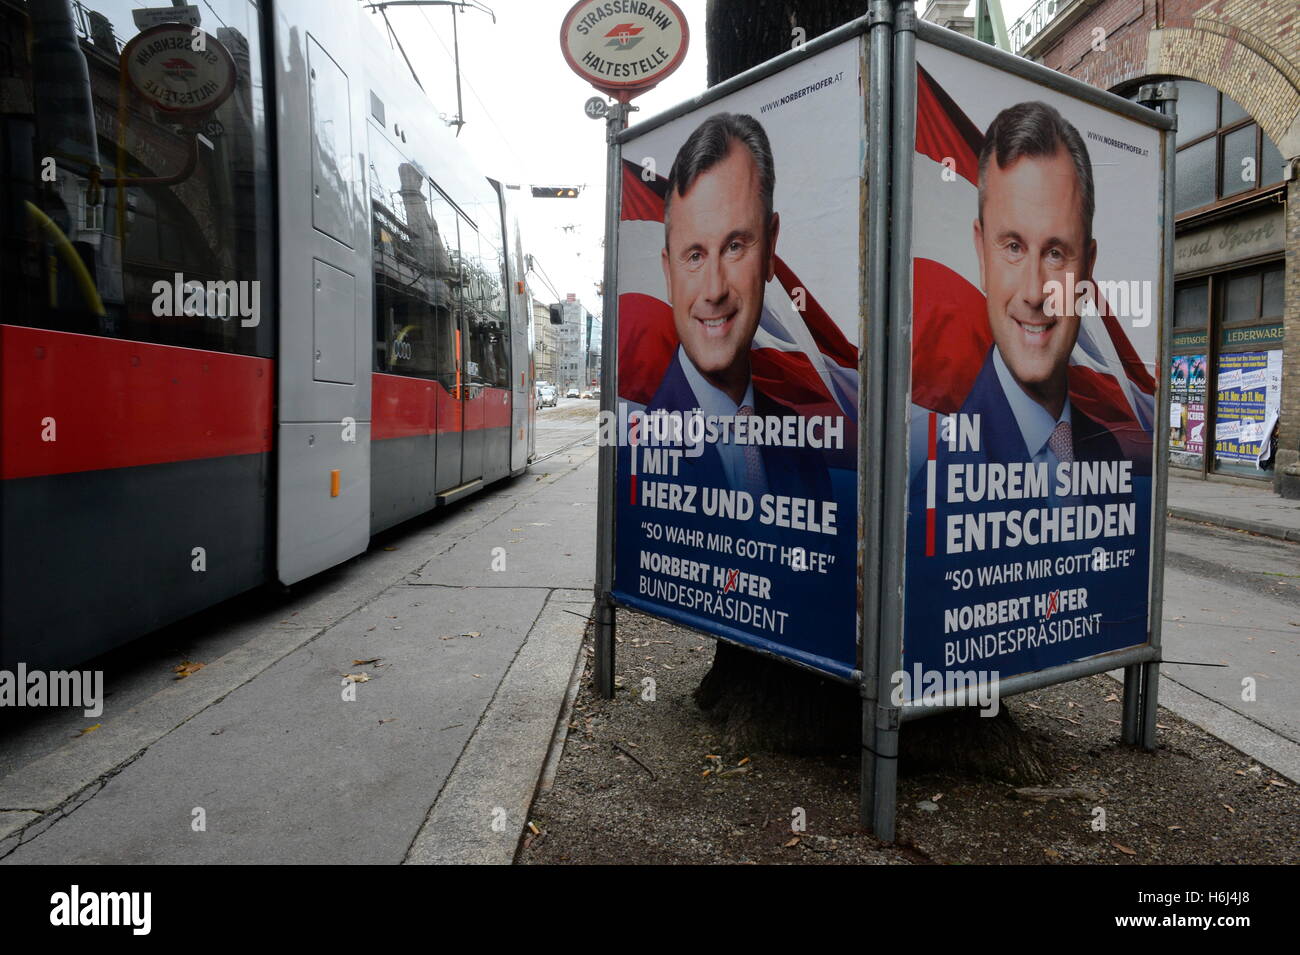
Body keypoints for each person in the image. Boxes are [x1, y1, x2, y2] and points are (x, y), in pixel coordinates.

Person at [647, 111, 829, 500]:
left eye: (734, 247)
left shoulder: (804, 448)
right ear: (668, 272)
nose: (714, 291)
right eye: (694, 256)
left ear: (770, 247)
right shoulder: (635, 444)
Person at [964, 100, 1123, 468]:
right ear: (981, 254)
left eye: (1055, 253)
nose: (1035, 293)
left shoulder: (1109, 455)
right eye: (1014, 247)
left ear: (1087, 268)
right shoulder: (938, 487)